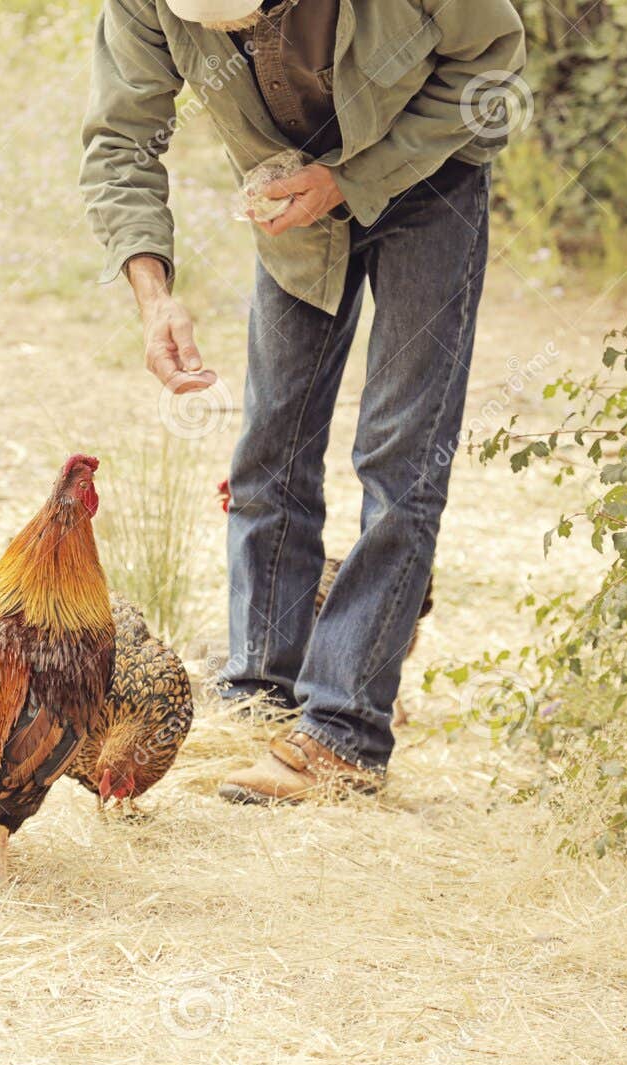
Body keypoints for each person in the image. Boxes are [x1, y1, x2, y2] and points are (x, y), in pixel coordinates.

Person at [79, 0, 526, 803]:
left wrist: (350, 180)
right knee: (270, 446)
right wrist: (155, 298)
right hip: (291, 197)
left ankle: (344, 734)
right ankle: (260, 694)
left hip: (431, 176)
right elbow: (120, 140)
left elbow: (491, 61)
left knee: (398, 452)